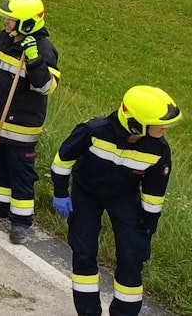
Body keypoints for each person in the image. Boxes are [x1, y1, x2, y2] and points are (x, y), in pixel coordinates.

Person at [51, 86, 180, 316]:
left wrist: (147, 228)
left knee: (131, 257)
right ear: (136, 124)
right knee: (84, 252)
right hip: (86, 193)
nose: (165, 130)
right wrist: (61, 192)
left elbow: (154, 192)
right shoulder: (94, 131)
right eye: (159, 125)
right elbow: (63, 160)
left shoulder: (158, 149)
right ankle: (88, 312)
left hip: (124, 197)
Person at [0, 0, 60, 244]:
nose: (6, 23)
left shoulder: (44, 51)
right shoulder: (3, 39)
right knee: (0, 163)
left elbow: (46, 87)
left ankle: (21, 221)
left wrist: (34, 61)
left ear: (27, 23)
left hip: (22, 125)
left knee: (21, 173)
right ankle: (1, 205)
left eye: (11, 20)